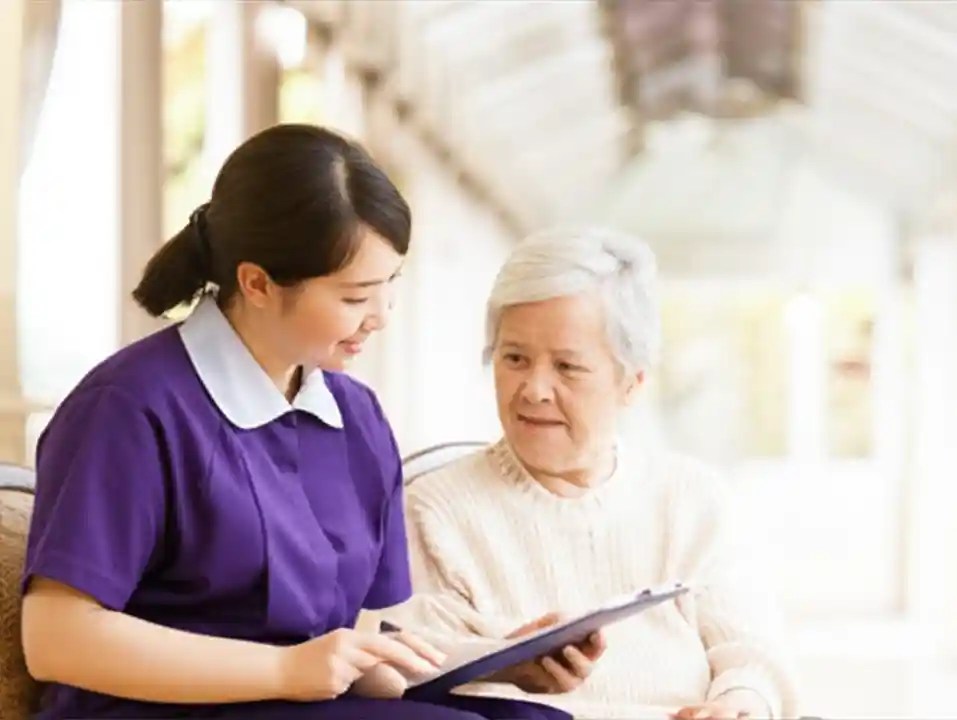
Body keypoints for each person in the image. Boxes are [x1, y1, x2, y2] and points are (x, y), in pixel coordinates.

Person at [19, 123, 571, 720]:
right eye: (355, 297)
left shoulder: (356, 419)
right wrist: (286, 669)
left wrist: (496, 661)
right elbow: (56, 640)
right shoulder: (129, 408)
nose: (380, 316)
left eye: (390, 287)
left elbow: (360, 658)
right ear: (256, 283)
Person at [382, 227, 799, 720]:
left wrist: (738, 704)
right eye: (514, 358)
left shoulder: (690, 499)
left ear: (632, 381)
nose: (534, 388)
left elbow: (754, 653)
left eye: (567, 366)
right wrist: (498, 659)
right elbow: (407, 666)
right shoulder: (435, 509)